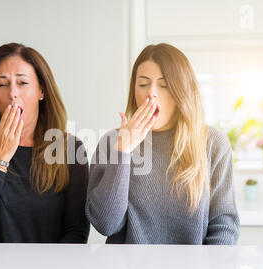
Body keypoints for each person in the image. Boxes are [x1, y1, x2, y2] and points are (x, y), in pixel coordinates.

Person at [86, 43, 240, 244]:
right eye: (143, 84)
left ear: (181, 92)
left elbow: (224, 224)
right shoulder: (112, 142)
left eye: (164, 85)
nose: (151, 93)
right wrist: (123, 152)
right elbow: (105, 224)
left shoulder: (213, 143)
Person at [0, 43, 90, 243]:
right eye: (2, 84)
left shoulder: (70, 149)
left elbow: (76, 232)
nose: (12, 93)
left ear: (41, 90)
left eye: (22, 83)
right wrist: (0, 158)